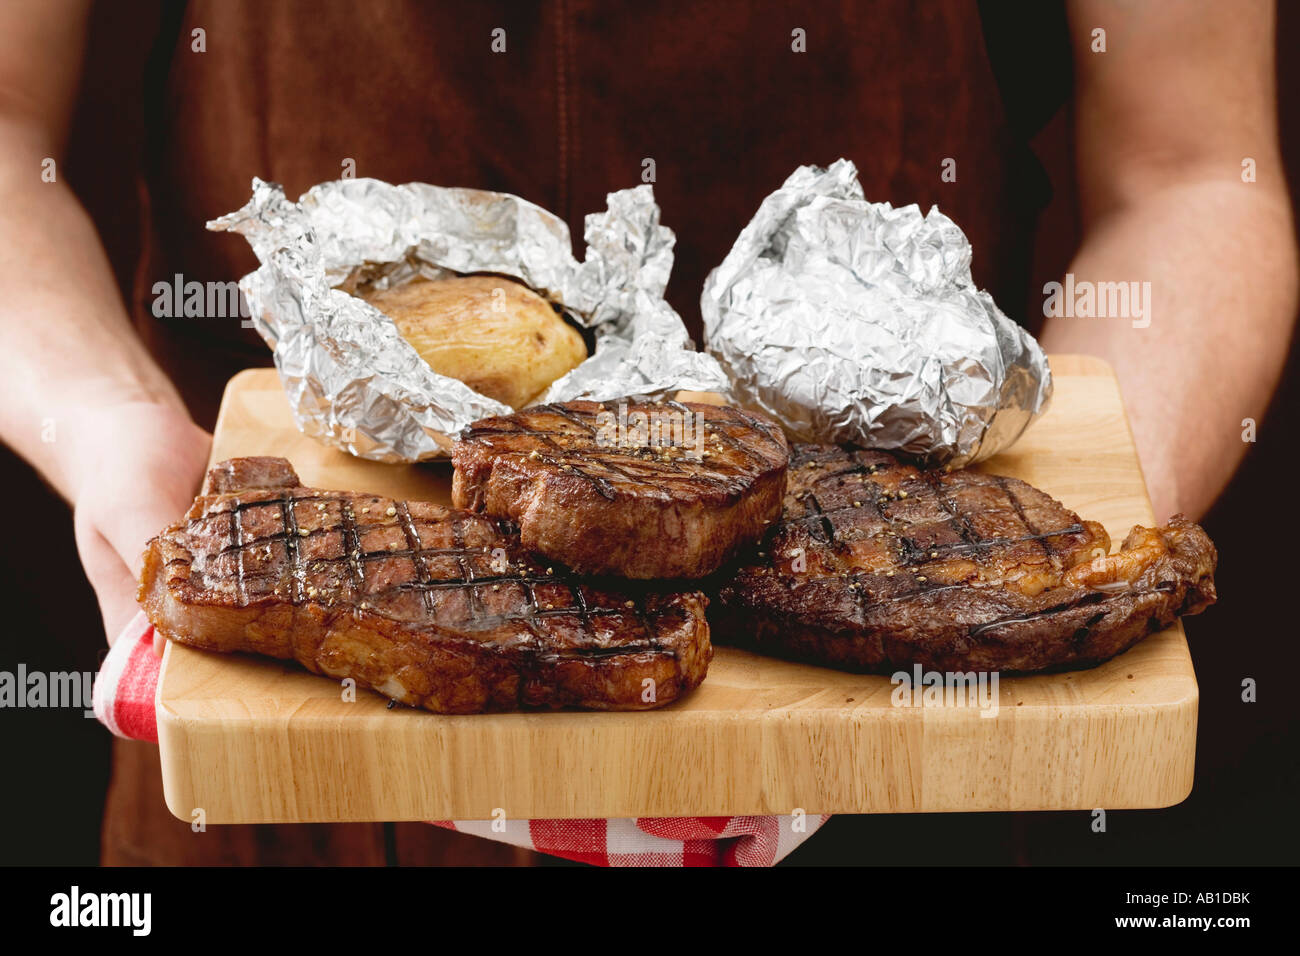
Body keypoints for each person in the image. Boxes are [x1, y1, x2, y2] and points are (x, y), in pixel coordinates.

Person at [1, 0, 1294, 866]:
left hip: (905, 785)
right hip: (287, 796)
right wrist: (108, 427)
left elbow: (1194, 173)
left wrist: (1014, 603)